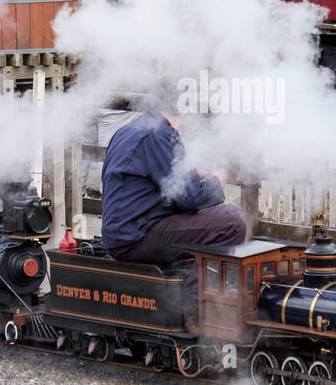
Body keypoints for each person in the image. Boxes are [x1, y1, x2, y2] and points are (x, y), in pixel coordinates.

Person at [101, 82, 247, 326]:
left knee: (214, 217)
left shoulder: (131, 129)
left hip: (125, 231)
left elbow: (160, 178)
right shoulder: (161, 134)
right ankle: (195, 308)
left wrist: (196, 172)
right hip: (137, 235)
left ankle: (194, 288)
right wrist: (217, 179)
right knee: (232, 222)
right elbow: (189, 198)